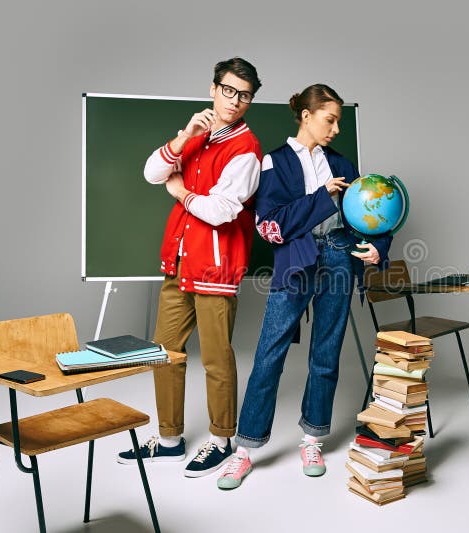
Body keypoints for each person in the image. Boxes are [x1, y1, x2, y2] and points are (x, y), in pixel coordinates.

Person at [215, 84, 392, 490]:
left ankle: (312, 438)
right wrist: (323, 197)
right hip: (296, 261)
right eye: (329, 120)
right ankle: (243, 450)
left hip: (339, 258)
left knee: (327, 354)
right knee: (269, 355)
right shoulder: (273, 163)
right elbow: (271, 227)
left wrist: (377, 249)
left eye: (339, 122)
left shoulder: (343, 162)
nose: (335, 129)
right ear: (306, 116)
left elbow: (373, 214)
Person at [117, 57, 262, 478]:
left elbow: (221, 211)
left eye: (244, 95)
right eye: (229, 90)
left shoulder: (246, 150)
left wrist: (180, 193)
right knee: (164, 354)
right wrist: (183, 138)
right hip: (178, 263)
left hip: (216, 269)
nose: (234, 101)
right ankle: (168, 439)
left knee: (216, 360)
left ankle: (221, 440)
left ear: (251, 101)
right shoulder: (197, 134)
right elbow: (150, 172)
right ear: (214, 88)